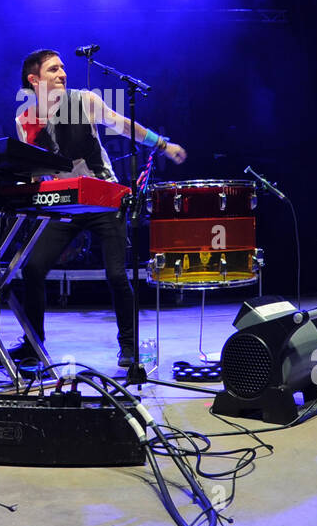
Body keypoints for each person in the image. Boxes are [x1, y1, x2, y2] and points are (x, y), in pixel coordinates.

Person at [11, 49, 186, 366]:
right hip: (64, 202)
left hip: (103, 198)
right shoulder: (26, 119)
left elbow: (123, 125)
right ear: (33, 80)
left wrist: (163, 144)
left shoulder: (85, 101)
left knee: (117, 274)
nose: (63, 73)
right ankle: (33, 342)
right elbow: (35, 167)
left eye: (63, 67)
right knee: (33, 267)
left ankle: (129, 347)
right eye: (53, 69)